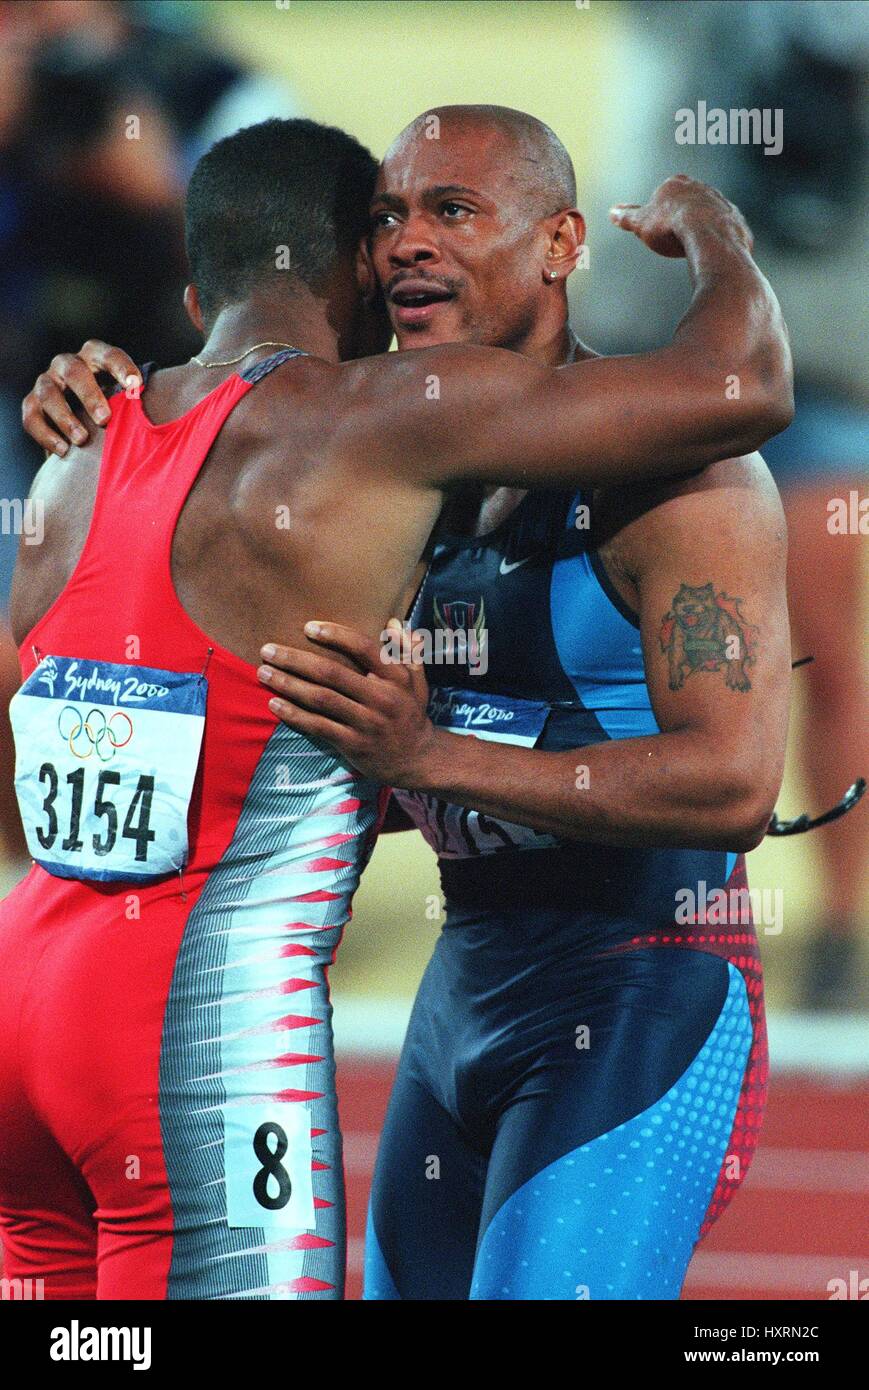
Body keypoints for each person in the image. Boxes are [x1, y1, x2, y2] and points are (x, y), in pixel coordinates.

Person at [14, 113, 791, 1302]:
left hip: (638, 995)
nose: (407, 245)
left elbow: (732, 787)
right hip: (461, 992)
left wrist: (714, 234)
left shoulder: (685, 473)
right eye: (386, 217)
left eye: (453, 212)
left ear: (560, 244)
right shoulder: (394, 463)